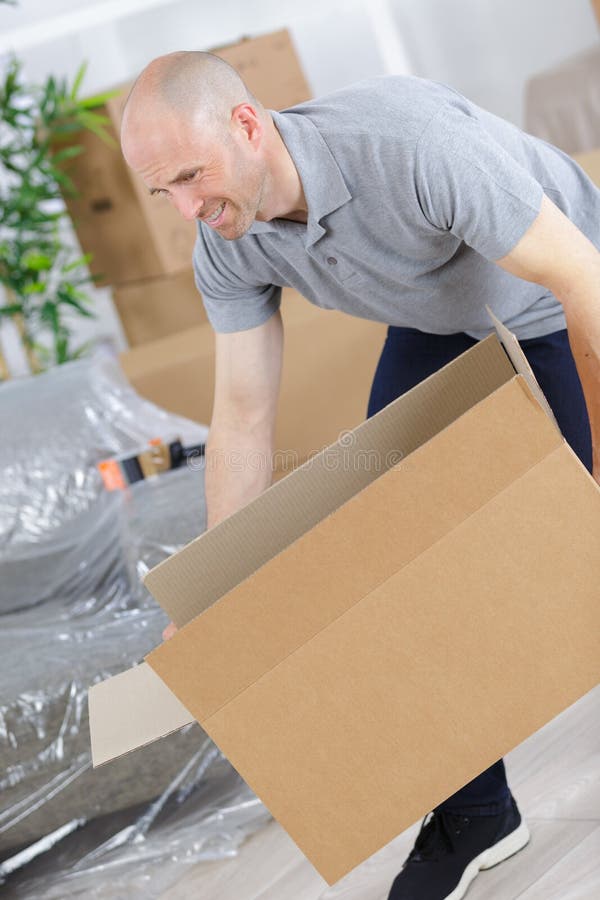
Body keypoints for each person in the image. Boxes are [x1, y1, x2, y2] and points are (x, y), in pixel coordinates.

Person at [121, 51, 600, 900]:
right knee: (379, 560)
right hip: (441, 323)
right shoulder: (228, 239)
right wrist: (215, 596)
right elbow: (241, 418)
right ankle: (476, 812)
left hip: (557, 297)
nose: (188, 208)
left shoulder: (406, 144)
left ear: (246, 124)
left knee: (574, 548)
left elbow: (577, 274)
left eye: (192, 176)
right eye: (165, 193)